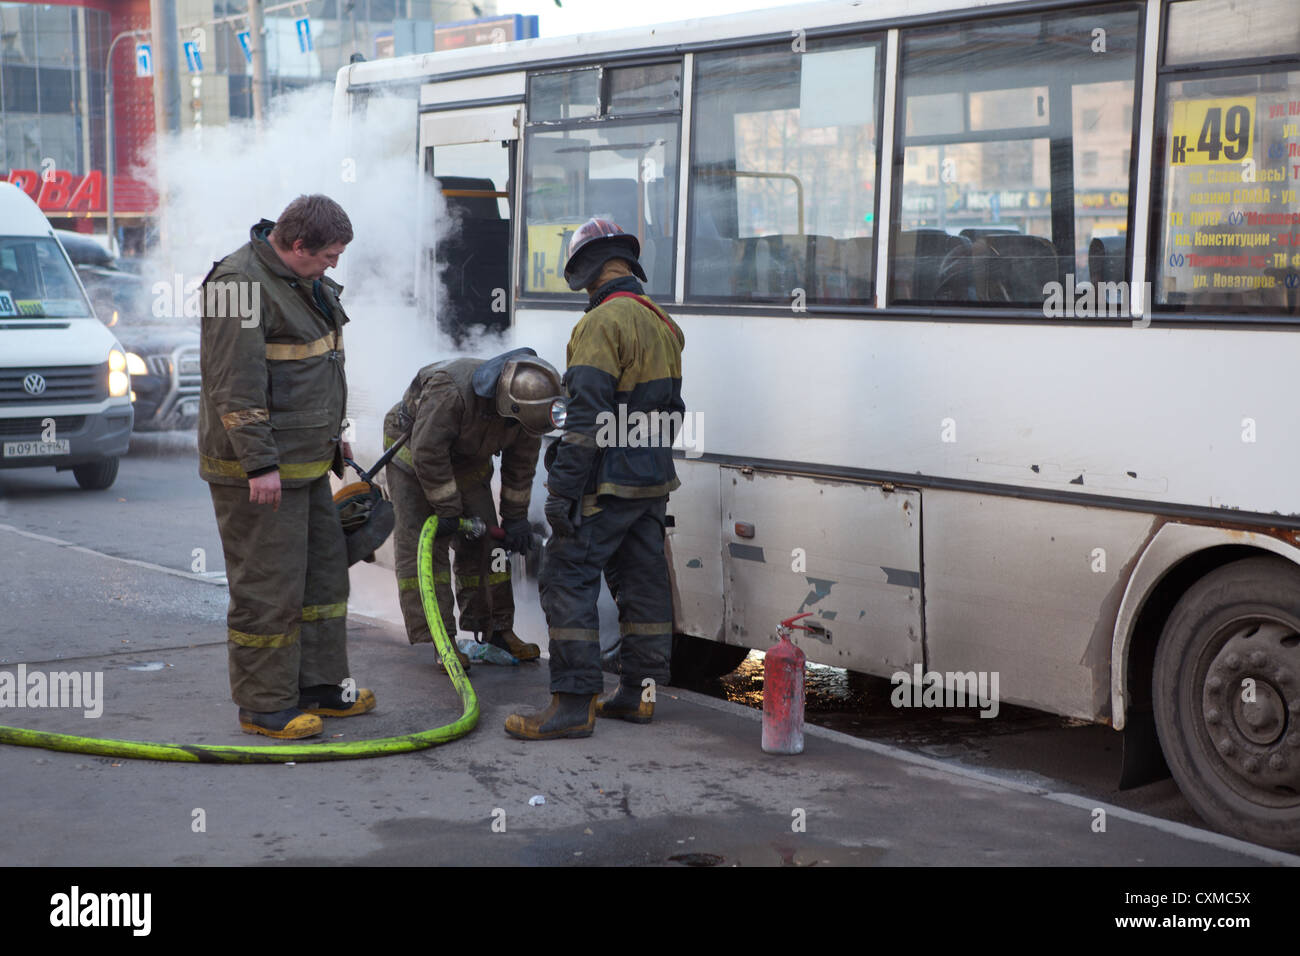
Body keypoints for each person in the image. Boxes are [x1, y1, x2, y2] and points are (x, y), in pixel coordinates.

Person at [198, 194, 374, 740]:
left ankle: (319, 687)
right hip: (259, 473)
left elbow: (315, 368)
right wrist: (259, 465)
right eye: (327, 255)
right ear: (297, 245)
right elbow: (237, 385)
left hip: (306, 462)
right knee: (267, 590)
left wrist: (334, 442)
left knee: (323, 581)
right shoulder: (236, 285)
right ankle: (265, 706)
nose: (333, 266)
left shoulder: (299, 279)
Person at [505, 218, 685, 741]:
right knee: (643, 584)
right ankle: (639, 695)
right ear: (627, 262)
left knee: (566, 579)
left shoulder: (600, 324)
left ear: (585, 270)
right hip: (652, 481)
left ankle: (571, 706)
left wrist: (562, 490)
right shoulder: (663, 322)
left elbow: (585, 418)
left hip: (606, 483)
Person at [382, 349, 563, 669]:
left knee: (487, 544)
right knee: (425, 548)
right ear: (508, 405)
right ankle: (442, 640)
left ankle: (496, 630)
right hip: (415, 461)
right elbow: (428, 453)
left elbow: (521, 467)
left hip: (467, 462)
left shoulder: (528, 413)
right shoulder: (449, 392)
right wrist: (448, 510)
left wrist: (515, 519)